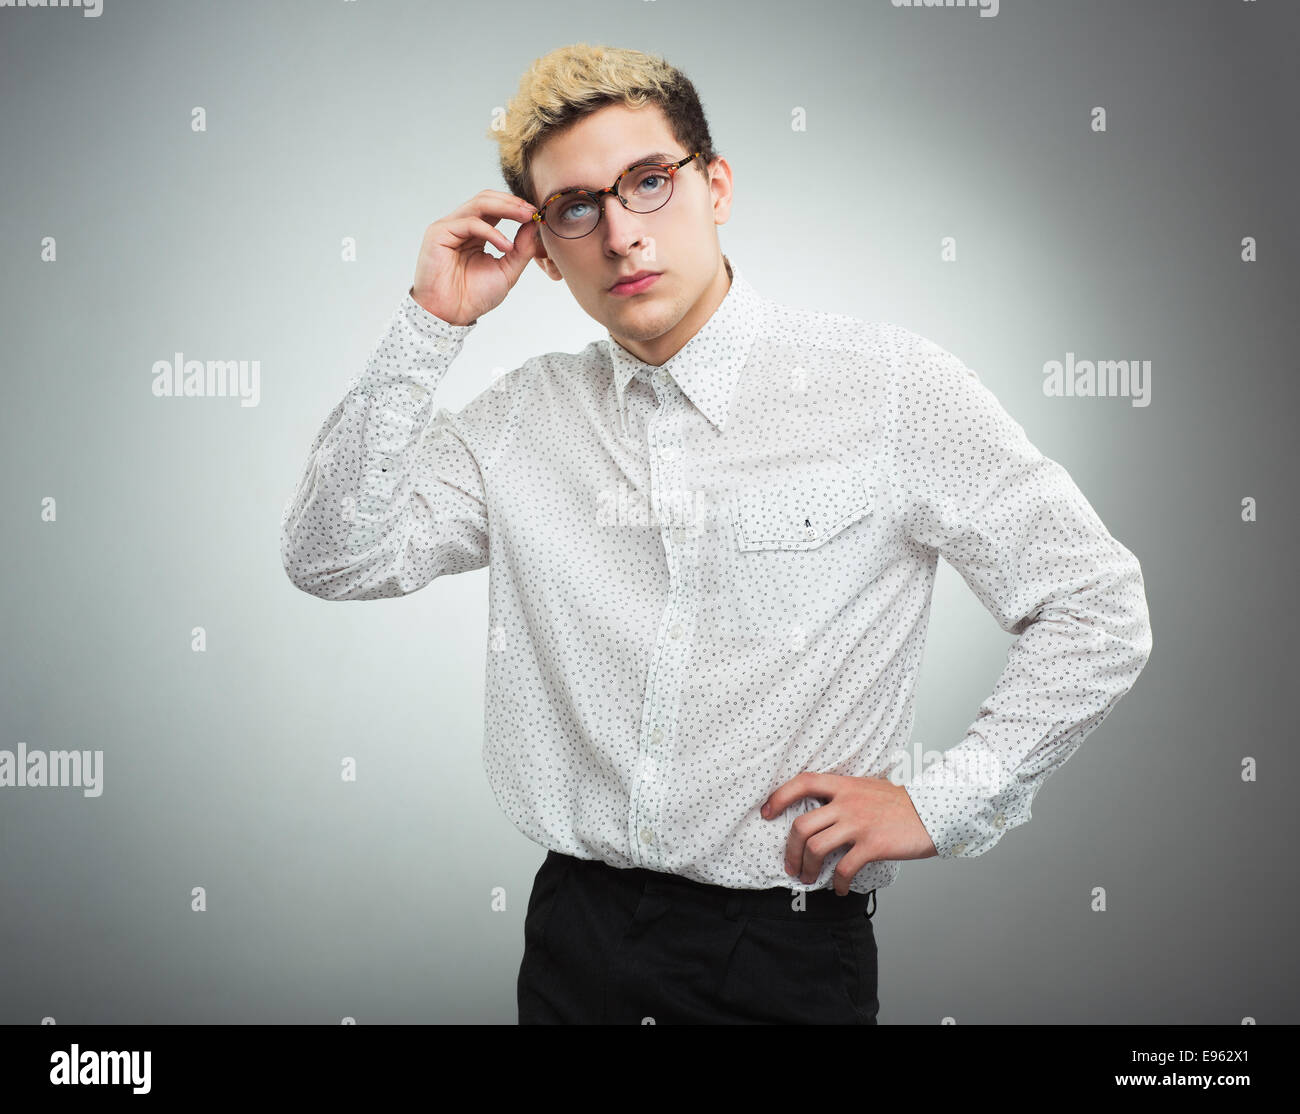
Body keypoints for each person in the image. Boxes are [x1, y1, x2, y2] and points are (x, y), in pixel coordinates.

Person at [279, 43, 1153, 1025]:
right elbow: (331, 553)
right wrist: (429, 324)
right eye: (576, 207)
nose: (620, 235)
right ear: (544, 251)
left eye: (648, 183)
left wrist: (944, 798)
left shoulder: (890, 389)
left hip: (780, 952)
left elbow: (1094, 604)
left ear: (715, 185)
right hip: (575, 936)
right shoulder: (524, 420)